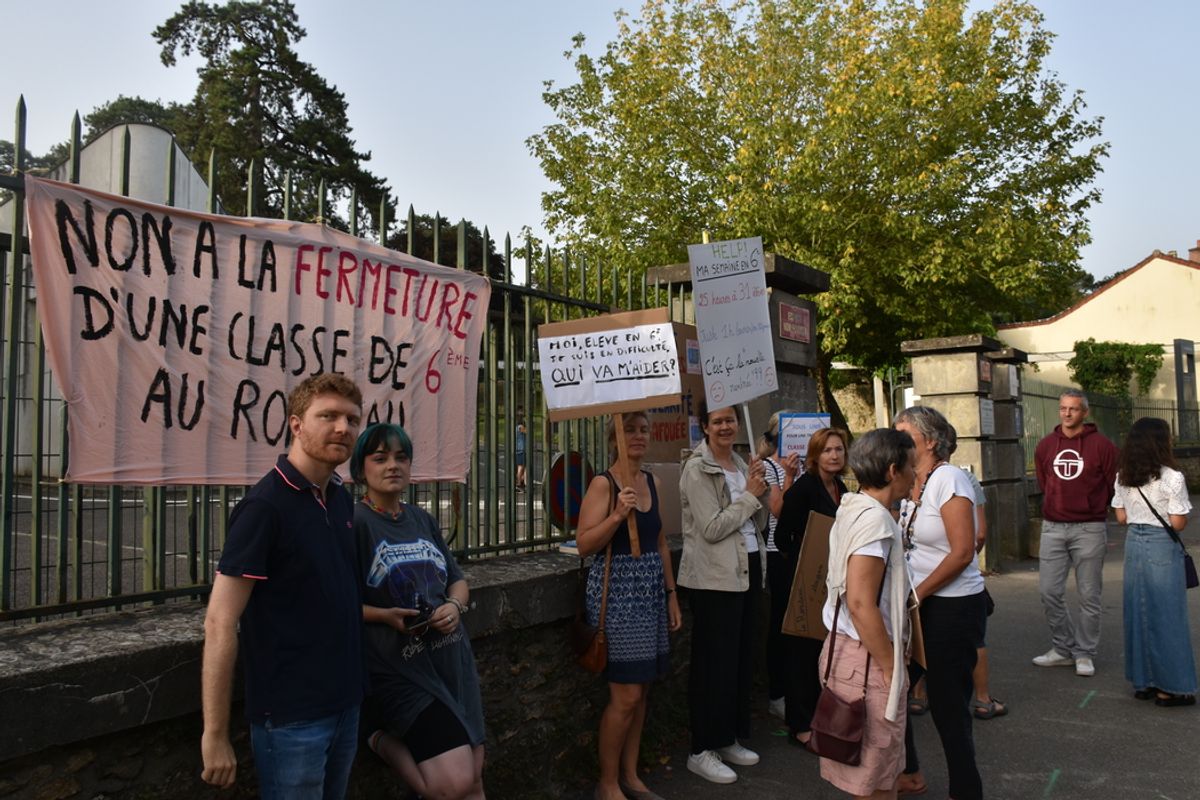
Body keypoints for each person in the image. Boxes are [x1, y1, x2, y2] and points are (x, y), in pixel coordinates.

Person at [201, 373, 365, 798]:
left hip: (345, 705)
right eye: (328, 416)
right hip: (293, 719)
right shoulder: (264, 507)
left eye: (352, 419)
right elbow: (220, 621)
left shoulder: (339, 498)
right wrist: (214, 734)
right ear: (296, 424)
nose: (343, 428)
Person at [352, 423, 486, 800]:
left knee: (475, 776)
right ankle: (377, 738)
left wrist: (454, 606)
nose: (393, 465)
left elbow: (457, 581)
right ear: (361, 469)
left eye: (401, 457)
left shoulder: (421, 519)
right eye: (380, 458)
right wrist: (383, 616)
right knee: (452, 783)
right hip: (401, 670)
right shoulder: (356, 524)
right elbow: (336, 604)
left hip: (450, 661)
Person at [576, 411, 682, 800]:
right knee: (626, 696)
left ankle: (631, 775)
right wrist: (619, 515)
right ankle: (607, 784)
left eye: (643, 430)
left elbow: (660, 543)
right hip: (618, 600)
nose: (638, 436)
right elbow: (584, 544)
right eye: (630, 429)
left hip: (650, 596)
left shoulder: (651, 481)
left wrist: (671, 594)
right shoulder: (603, 484)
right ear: (614, 437)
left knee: (642, 692)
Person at [817, 428, 916, 800]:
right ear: (892, 470)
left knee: (878, 777)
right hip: (867, 658)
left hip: (853, 652)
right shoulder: (874, 521)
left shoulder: (853, 506)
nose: (915, 475)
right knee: (873, 783)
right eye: (911, 466)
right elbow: (860, 603)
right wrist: (891, 666)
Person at [894, 405, 987, 800]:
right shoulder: (908, 480)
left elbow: (964, 551)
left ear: (930, 441)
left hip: (952, 607)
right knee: (894, 693)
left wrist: (918, 593)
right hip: (920, 605)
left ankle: (966, 790)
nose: (897, 440)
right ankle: (909, 772)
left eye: (904, 434)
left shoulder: (950, 478)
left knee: (949, 706)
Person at [678, 401, 769, 785]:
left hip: (747, 570)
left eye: (730, 420)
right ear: (705, 426)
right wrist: (749, 496)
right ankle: (701, 749)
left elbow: (758, 522)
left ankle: (727, 736)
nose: (725, 426)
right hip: (715, 579)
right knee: (713, 666)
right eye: (717, 421)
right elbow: (712, 528)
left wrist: (760, 491)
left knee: (740, 661)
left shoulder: (741, 463)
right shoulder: (697, 469)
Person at [1032, 389, 1118, 677]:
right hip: (1053, 527)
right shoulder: (1046, 445)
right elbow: (1044, 481)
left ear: (1085, 412)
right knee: (1049, 592)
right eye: (1063, 408)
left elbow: (1112, 483)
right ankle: (1063, 648)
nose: (1067, 413)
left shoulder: (1102, 446)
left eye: (1073, 409)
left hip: (1089, 528)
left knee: (1089, 595)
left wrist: (1095, 508)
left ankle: (1084, 653)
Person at [1112, 417, 1196, 707]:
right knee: (1168, 616)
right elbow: (1178, 522)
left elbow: (1121, 517)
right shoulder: (1172, 477)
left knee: (1138, 611)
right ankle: (1170, 687)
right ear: (1160, 442)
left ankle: (1143, 682)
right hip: (1161, 545)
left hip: (1134, 544)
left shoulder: (1123, 475)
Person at [774, 427, 849, 747]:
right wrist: (806, 560)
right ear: (815, 456)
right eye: (827, 450)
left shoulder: (841, 488)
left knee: (823, 651)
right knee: (801, 654)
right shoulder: (804, 489)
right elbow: (782, 537)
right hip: (802, 581)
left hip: (830, 581)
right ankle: (800, 724)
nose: (834, 455)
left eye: (839, 449)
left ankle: (821, 718)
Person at [759, 411, 801, 720]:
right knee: (782, 623)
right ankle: (778, 692)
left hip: (806, 552)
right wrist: (789, 477)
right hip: (779, 553)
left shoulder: (807, 466)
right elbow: (778, 511)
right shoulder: (769, 467)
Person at [515, 409, 528, 490]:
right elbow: (528, 432)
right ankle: (520, 483)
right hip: (522, 449)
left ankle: (522, 482)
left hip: (519, 448)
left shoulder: (516, 427)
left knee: (522, 466)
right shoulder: (520, 427)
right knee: (522, 467)